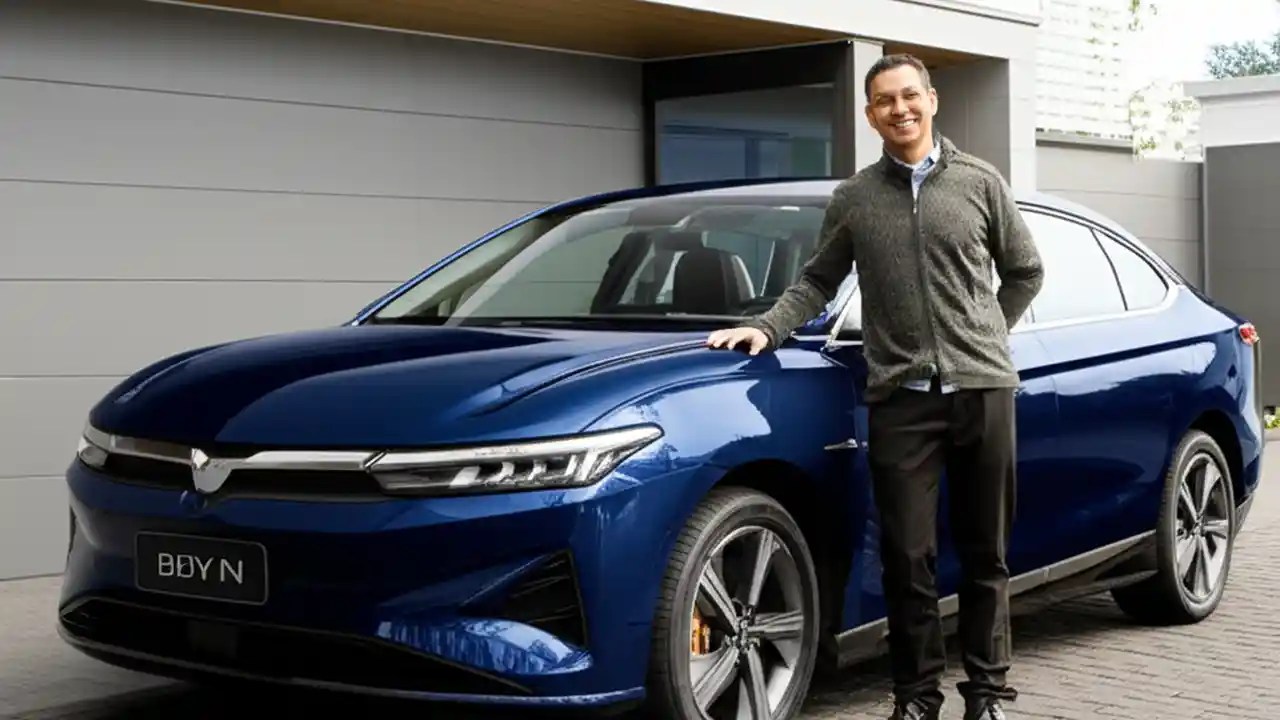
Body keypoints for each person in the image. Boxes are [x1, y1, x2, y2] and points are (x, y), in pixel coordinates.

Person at [706, 53, 1044, 720]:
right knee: (907, 557)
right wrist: (766, 329)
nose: (900, 109)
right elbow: (815, 281)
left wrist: (987, 334)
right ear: (870, 115)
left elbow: (1025, 270)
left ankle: (987, 695)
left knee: (986, 554)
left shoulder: (980, 182)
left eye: (910, 96)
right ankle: (917, 698)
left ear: (933, 100)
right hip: (901, 402)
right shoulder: (856, 199)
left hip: (982, 393)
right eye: (885, 101)